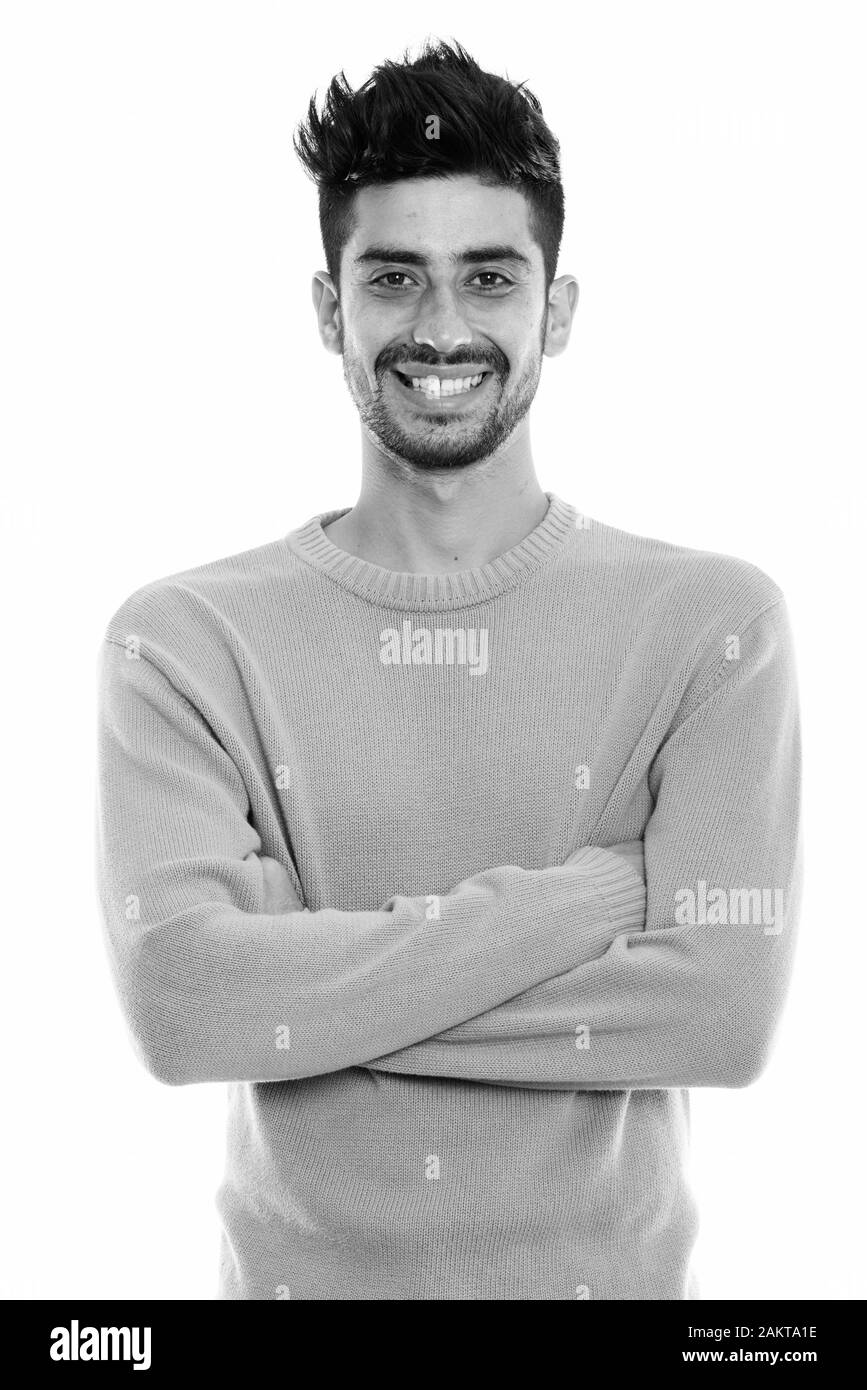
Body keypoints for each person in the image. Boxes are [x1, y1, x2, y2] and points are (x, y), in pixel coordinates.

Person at [96, 39, 802, 1300]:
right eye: (393, 277)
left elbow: (723, 1015)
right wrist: (596, 899)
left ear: (559, 309)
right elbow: (187, 1008)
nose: (441, 329)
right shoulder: (187, 642)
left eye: (488, 277)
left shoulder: (714, 626)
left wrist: (311, 985)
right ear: (329, 309)